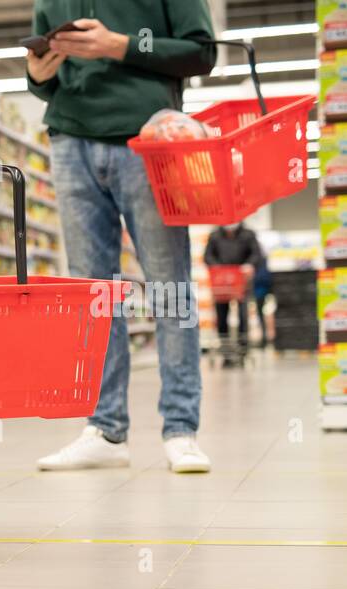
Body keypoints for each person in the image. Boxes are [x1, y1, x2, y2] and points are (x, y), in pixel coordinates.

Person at [29, 2, 217, 475]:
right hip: (71, 137)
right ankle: (106, 428)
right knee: (95, 295)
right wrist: (37, 74)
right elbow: (44, 76)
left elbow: (202, 53)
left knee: (169, 287)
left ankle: (181, 429)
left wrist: (120, 46)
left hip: (148, 137)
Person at [203, 222, 265, 362]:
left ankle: (243, 350)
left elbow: (256, 254)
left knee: (243, 317)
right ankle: (226, 353)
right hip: (221, 283)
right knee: (221, 317)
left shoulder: (248, 235)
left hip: (242, 282)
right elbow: (207, 256)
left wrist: (249, 265)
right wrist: (216, 266)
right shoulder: (214, 236)